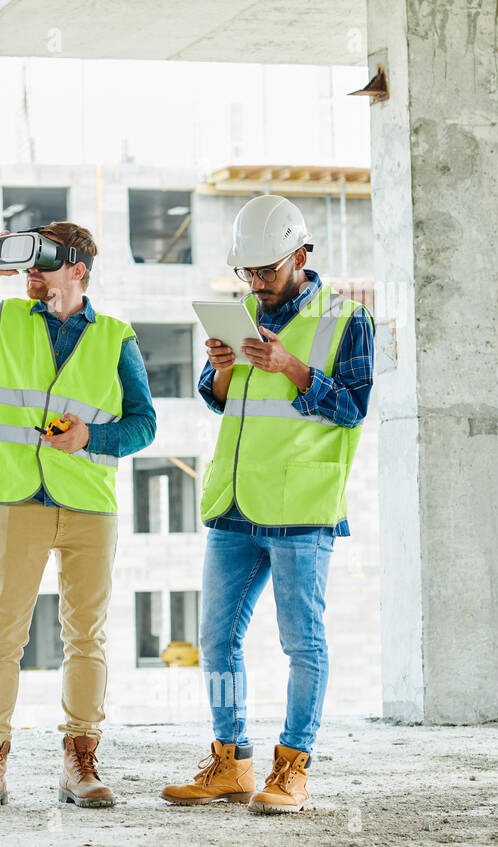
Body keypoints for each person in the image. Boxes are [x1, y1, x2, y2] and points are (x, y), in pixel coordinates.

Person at [0, 222, 156, 811]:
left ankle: (79, 761)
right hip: (17, 501)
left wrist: (94, 435)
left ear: (79, 272)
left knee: (86, 639)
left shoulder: (117, 338)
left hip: (89, 504)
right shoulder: (4, 320)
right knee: (2, 638)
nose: (31, 274)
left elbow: (144, 424)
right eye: (27, 264)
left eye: (45, 264)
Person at [160, 194, 375, 814]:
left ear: (300, 255)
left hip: (300, 508)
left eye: (267, 271)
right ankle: (230, 764)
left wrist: (290, 366)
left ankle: (293, 769)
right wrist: (222, 368)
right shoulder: (245, 312)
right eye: (247, 273)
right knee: (217, 639)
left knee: (301, 643)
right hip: (234, 504)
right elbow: (220, 399)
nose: (257, 283)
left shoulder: (347, 319)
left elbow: (353, 408)